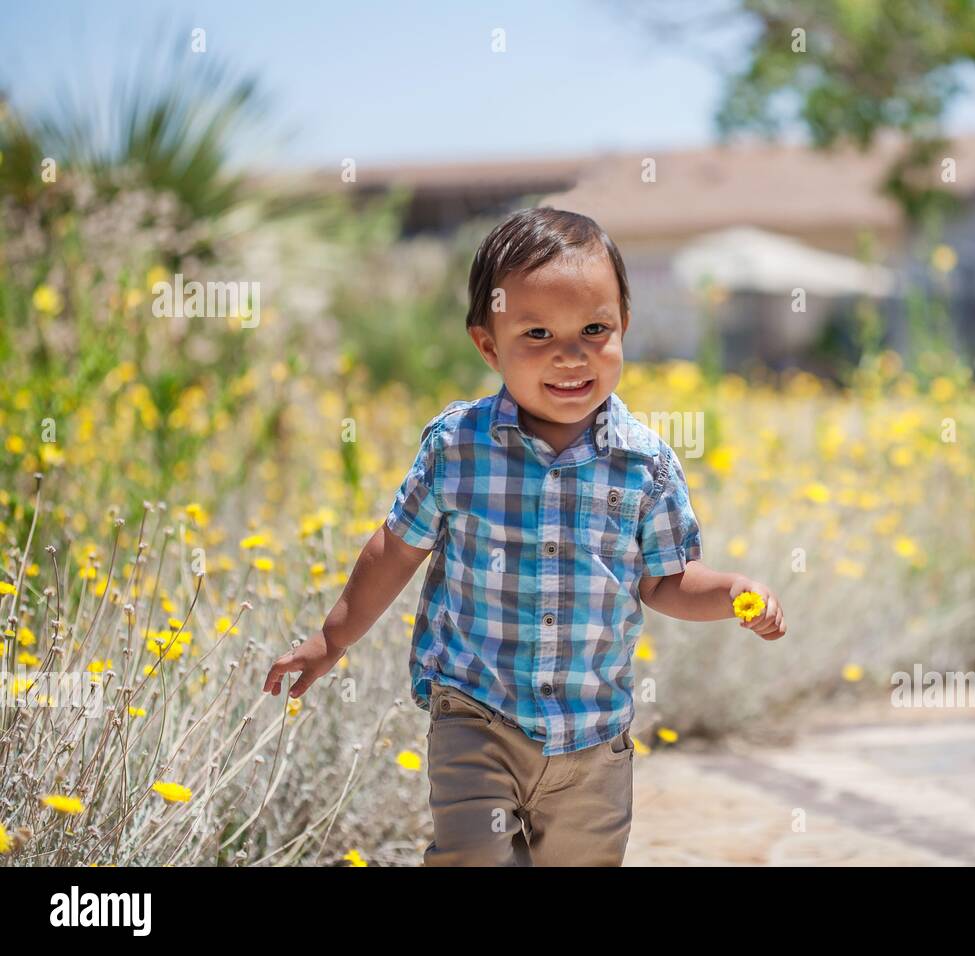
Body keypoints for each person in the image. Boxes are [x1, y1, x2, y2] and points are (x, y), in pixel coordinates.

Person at [262, 206, 786, 865]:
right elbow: (395, 549)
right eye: (537, 333)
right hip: (475, 714)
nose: (571, 355)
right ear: (489, 345)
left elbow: (667, 581)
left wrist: (735, 590)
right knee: (473, 856)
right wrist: (330, 639)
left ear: (624, 327)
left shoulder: (646, 463)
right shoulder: (458, 447)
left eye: (595, 329)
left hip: (591, 736)